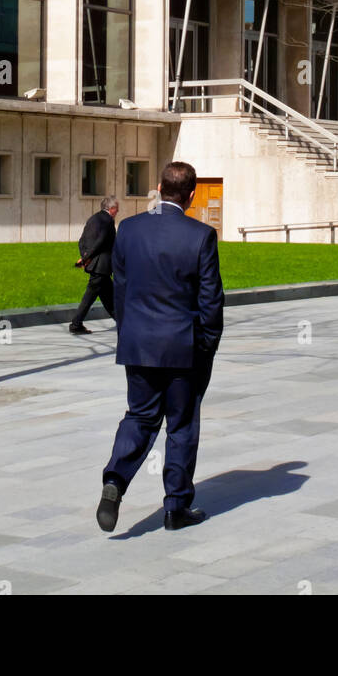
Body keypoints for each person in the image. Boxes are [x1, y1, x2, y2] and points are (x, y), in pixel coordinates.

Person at [96, 160, 224, 534]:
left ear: (157, 187)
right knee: (181, 425)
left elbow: (120, 288)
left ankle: (115, 481)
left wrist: (128, 332)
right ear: (192, 194)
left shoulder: (129, 229)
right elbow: (211, 302)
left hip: (139, 345)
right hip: (183, 348)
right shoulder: (200, 235)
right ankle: (176, 507)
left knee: (139, 416)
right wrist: (207, 346)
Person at [70, 196, 119, 334]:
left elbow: (81, 241)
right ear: (112, 208)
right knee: (90, 296)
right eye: (117, 209)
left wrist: (84, 256)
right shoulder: (108, 221)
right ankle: (75, 324)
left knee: (109, 297)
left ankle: (123, 321)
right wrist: (86, 258)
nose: (118, 212)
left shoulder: (93, 219)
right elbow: (101, 241)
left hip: (96, 266)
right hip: (101, 266)